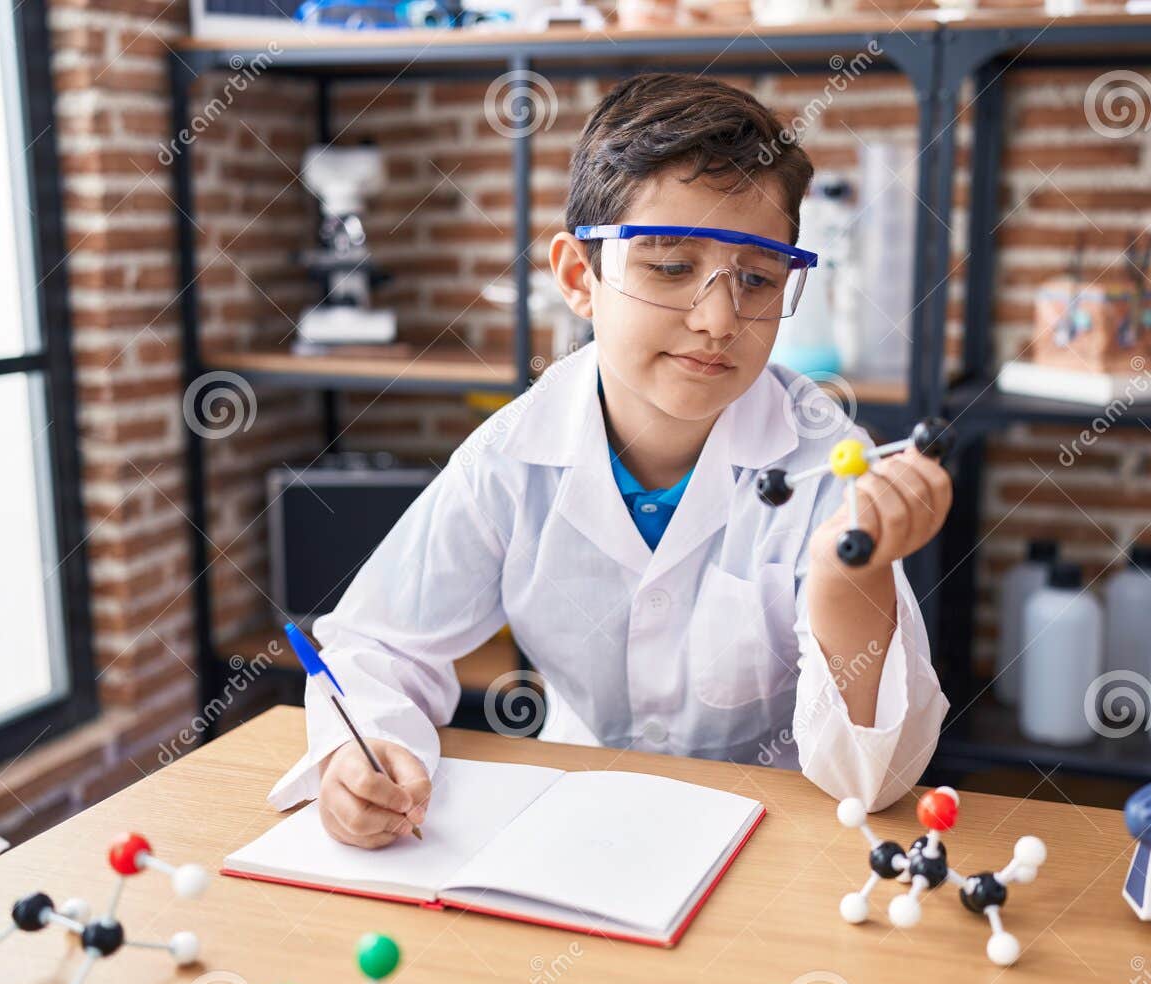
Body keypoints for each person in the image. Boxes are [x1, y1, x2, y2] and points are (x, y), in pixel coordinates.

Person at [268, 73, 952, 847]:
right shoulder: (511, 455)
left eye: (757, 279)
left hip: (778, 837)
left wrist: (846, 579)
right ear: (577, 278)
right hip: (577, 818)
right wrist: (366, 755)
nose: (719, 318)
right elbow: (379, 646)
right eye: (669, 266)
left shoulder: (832, 464)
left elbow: (878, 781)